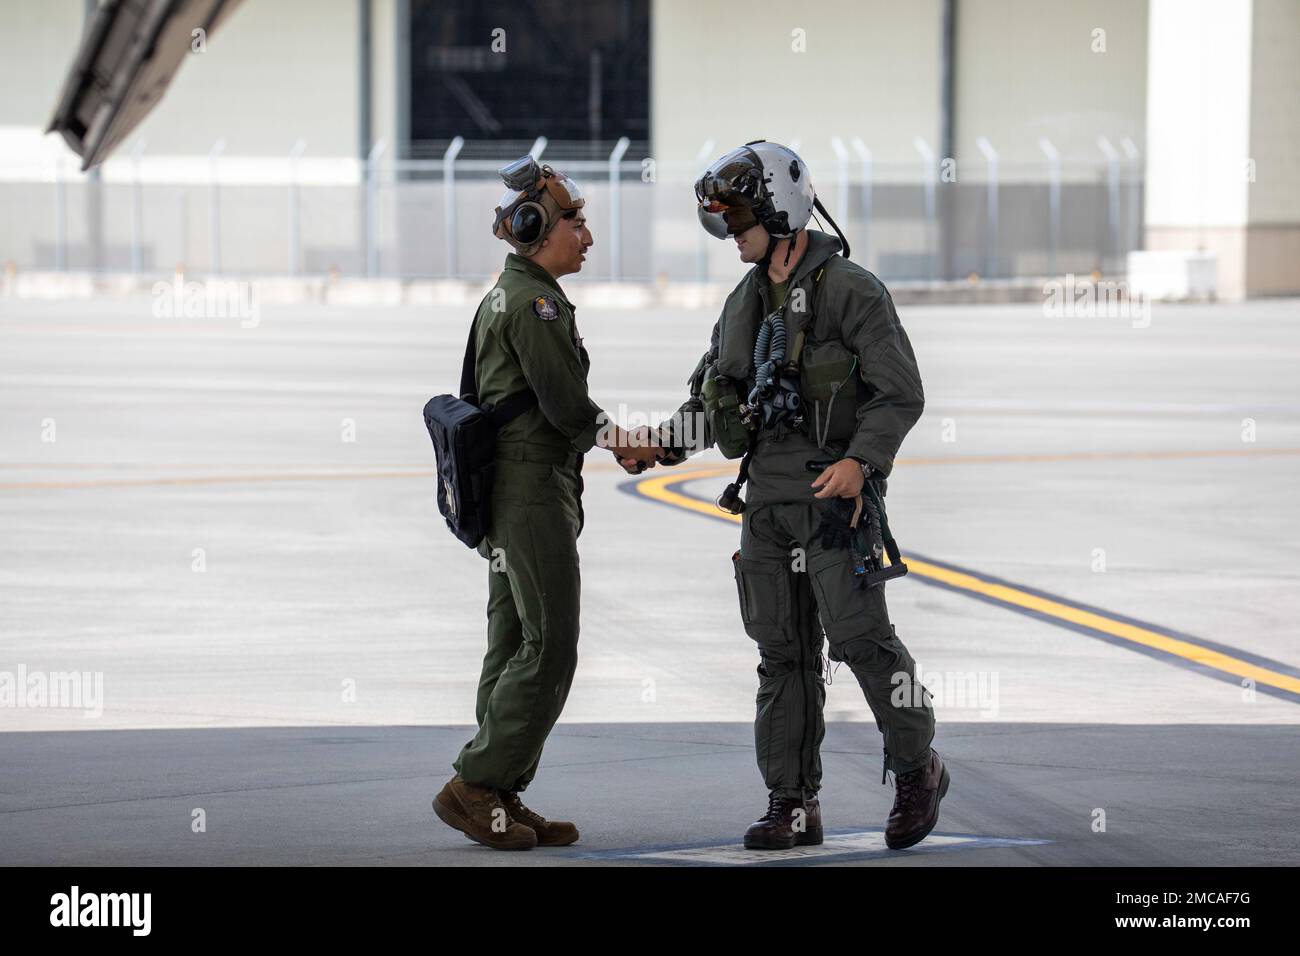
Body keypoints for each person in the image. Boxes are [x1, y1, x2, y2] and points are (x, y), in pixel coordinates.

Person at [652, 140, 949, 850]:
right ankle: (792, 802)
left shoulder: (852, 291)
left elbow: (899, 393)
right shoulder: (743, 303)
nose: (730, 233)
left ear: (778, 207)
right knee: (781, 653)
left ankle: (918, 769)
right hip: (767, 509)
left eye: (738, 217)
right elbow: (715, 394)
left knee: (860, 639)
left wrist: (861, 460)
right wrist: (657, 442)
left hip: (833, 504)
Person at [432, 157, 659, 850]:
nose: (587, 236)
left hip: (516, 486)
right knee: (552, 644)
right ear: (537, 227)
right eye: (577, 222)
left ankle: (499, 793)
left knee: (512, 640)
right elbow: (563, 403)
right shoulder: (535, 303)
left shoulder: (511, 292)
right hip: (529, 489)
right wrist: (621, 439)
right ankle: (476, 783)